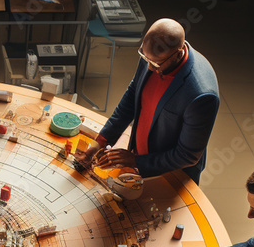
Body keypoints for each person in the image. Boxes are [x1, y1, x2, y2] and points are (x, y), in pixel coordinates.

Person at [81, 18, 219, 184]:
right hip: (139, 156)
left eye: (156, 64)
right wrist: (101, 141)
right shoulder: (152, 54)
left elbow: (187, 155)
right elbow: (133, 96)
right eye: (146, 58)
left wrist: (136, 161)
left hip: (171, 172)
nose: (150, 68)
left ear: (178, 54)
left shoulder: (201, 95)